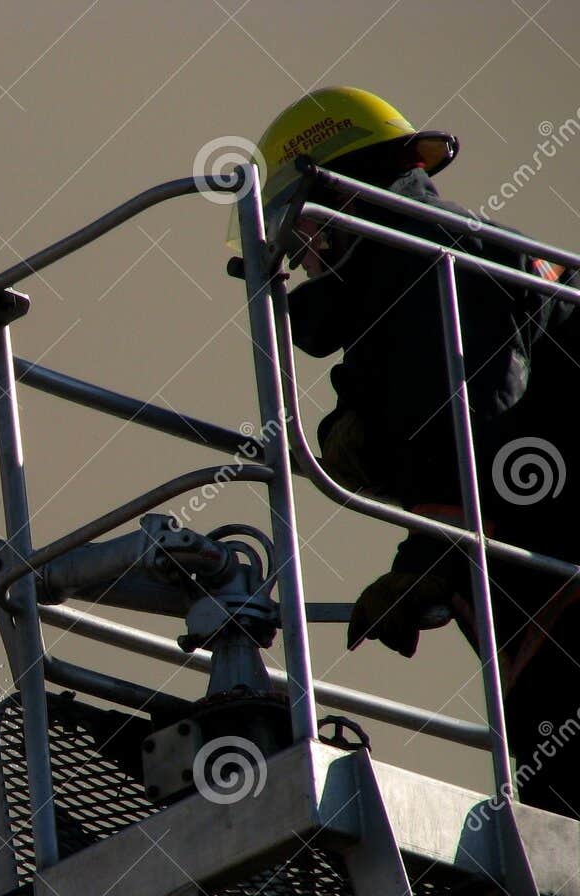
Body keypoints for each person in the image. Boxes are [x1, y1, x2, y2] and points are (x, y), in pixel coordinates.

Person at [246, 87, 580, 817]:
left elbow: (471, 409)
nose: (301, 262)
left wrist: (426, 559)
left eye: (300, 235)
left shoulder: (420, 254)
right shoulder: (430, 264)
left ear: (334, 197)